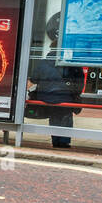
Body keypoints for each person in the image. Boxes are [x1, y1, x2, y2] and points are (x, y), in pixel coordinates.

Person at [30, 13, 84, 148]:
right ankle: (64, 142)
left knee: (54, 117)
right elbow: (80, 81)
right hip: (65, 97)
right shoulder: (71, 63)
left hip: (46, 97)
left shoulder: (43, 63)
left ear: (51, 49)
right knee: (66, 117)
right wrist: (75, 93)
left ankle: (55, 141)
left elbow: (34, 79)